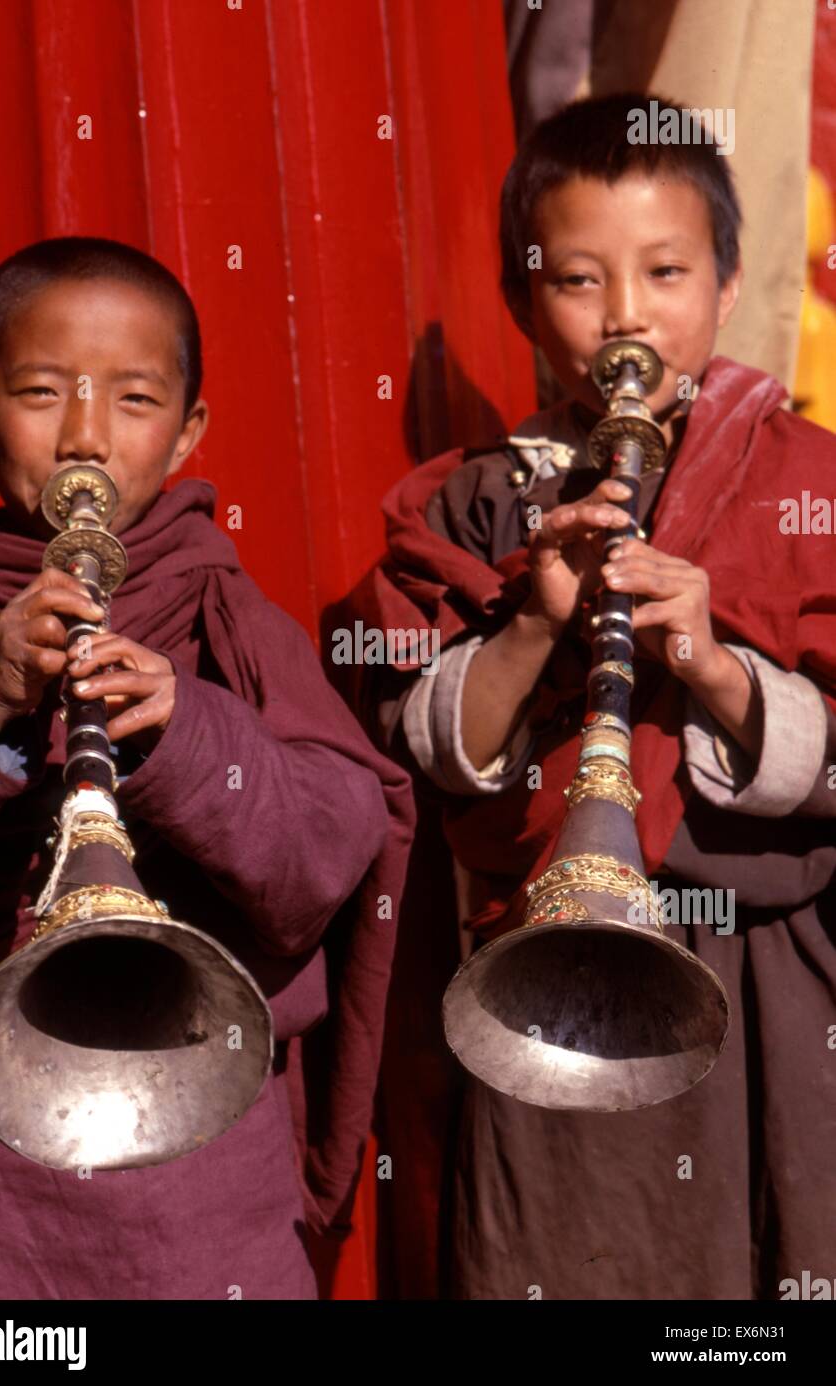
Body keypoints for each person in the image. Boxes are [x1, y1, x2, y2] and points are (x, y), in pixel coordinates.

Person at [348, 92, 836, 1300]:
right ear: (522, 306)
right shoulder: (474, 505)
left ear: (729, 285)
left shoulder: (807, 480)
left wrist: (714, 664)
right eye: (578, 280)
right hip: (547, 978)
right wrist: (533, 617)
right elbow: (418, 737)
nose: (625, 315)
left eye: (664, 270)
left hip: (765, 969)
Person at [0, 236, 414, 1300]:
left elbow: (335, 837)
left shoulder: (219, 612)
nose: (87, 437)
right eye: (41, 391)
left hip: (201, 1152)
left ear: (190, 432)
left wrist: (187, 734)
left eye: (136, 399)